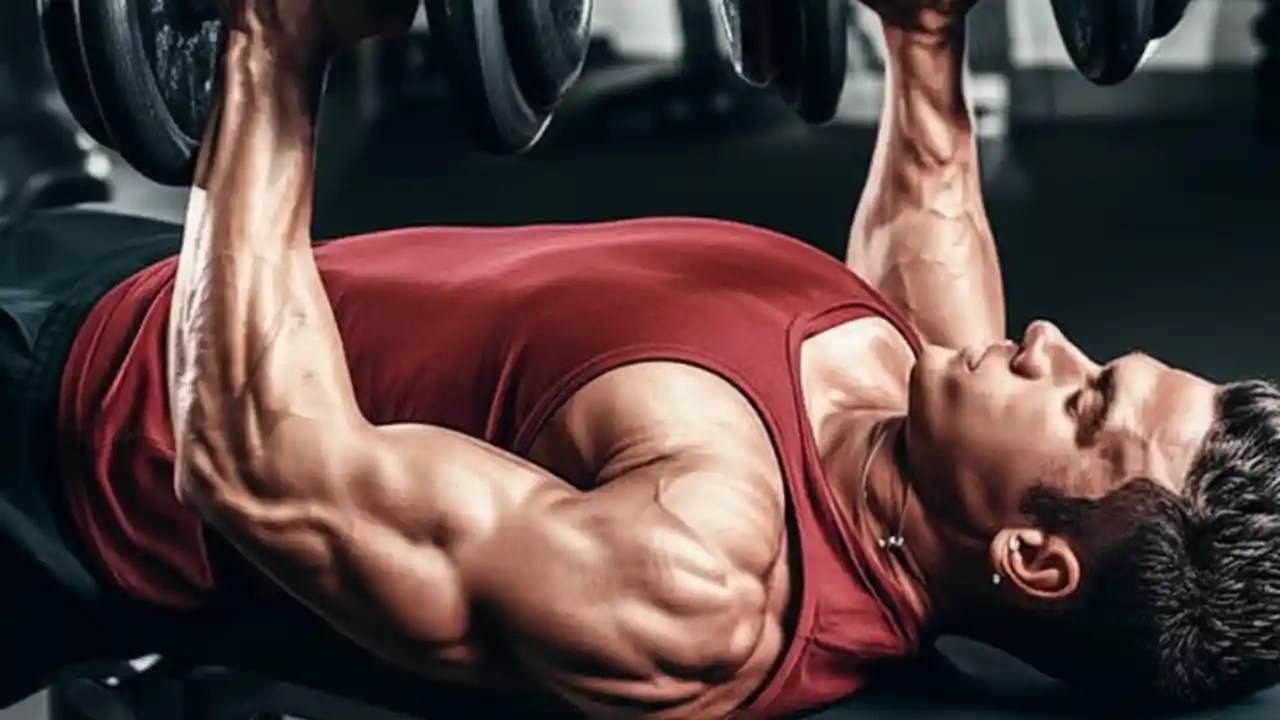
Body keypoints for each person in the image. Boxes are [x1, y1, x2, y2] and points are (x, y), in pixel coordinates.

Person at [3, 0, 1280, 716]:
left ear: (1030, 557)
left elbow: (261, 472)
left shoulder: (697, 578)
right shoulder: (924, 400)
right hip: (159, 282)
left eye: (1081, 398)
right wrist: (923, 38)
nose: (1049, 342)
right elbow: (934, 187)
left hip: (53, 463)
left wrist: (269, 57)